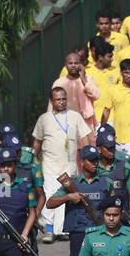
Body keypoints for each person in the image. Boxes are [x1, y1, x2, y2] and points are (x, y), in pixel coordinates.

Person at [45, 146, 111, 256]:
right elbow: (50, 203)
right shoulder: (72, 183)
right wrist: (68, 196)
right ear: (82, 162)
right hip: (79, 234)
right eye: (91, 160)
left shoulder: (106, 183)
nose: (95, 163)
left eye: (96, 159)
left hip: (100, 233)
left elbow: (116, 206)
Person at [33, 86, 93, 242]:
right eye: (58, 99)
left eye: (64, 99)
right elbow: (37, 142)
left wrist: (87, 157)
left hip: (69, 167)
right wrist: (33, 161)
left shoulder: (75, 116)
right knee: (49, 197)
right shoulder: (44, 119)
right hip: (49, 166)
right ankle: (49, 230)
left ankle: (61, 230)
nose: (61, 102)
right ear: (52, 101)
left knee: (64, 198)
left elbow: (85, 137)